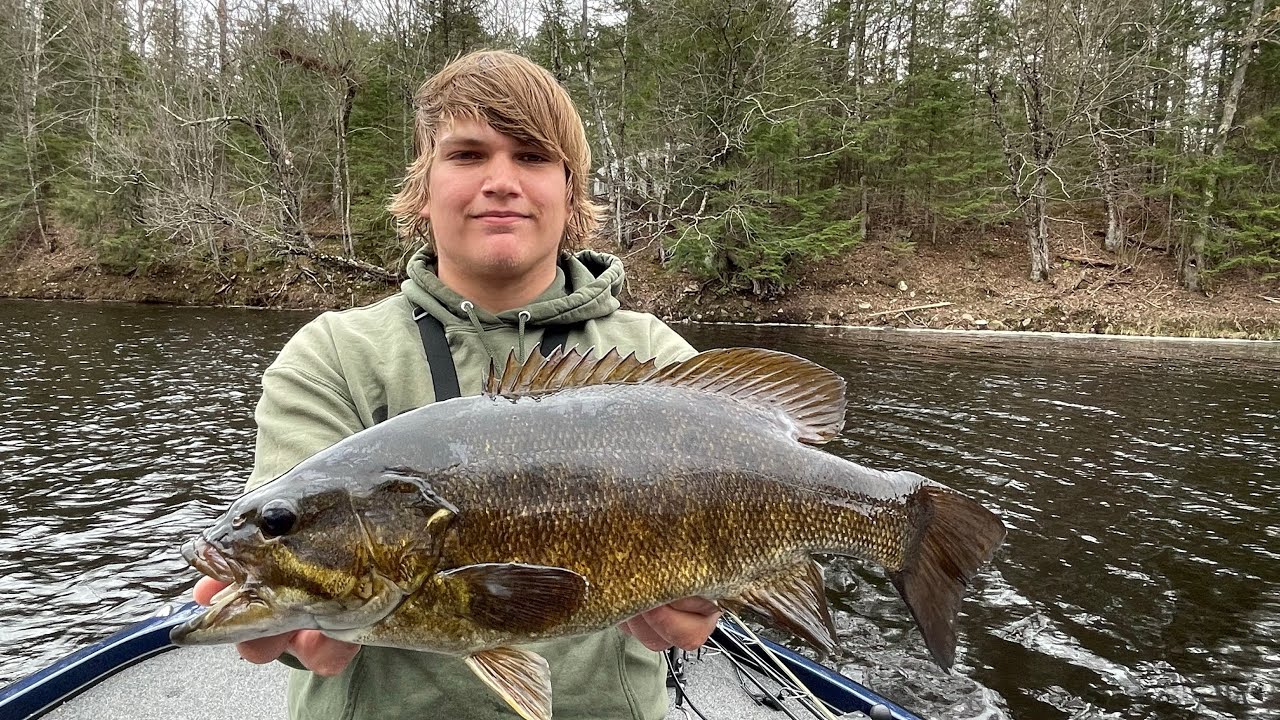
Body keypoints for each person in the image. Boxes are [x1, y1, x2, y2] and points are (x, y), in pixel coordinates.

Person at [191, 50, 720, 720]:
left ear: (570, 190)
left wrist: (707, 604)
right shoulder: (334, 356)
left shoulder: (652, 363)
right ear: (424, 186)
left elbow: (723, 547)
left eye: (532, 156)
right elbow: (296, 578)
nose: (501, 182)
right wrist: (295, 633)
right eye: (467, 155)